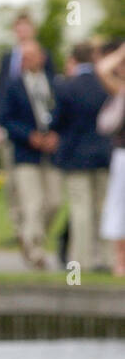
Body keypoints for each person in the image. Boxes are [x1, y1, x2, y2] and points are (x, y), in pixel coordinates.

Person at [0, 39, 60, 268]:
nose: (27, 61)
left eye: (31, 56)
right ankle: (35, 252)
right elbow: (3, 118)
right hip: (25, 152)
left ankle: (31, 236)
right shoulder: (13, 86)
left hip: (50, 153)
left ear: (42, 58)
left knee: (53, 202)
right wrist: (28, 136)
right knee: (33, 202)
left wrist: (54, 135)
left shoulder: (54, 83)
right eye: (24, 57)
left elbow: (63, 113)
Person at [52, 43, 113, 272]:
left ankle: (83, 260)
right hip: (103, 154)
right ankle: (106, 258)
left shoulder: (67, 87)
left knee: (80, 209)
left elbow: (57, 121)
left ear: (74, 59)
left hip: (75, 155)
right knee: (103, 207)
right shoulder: (106, 85)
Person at [93, 40, 125, 276]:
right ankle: (120, 262)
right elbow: (102, 69)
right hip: (123, 153)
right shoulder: (120, 90)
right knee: (119, 206)